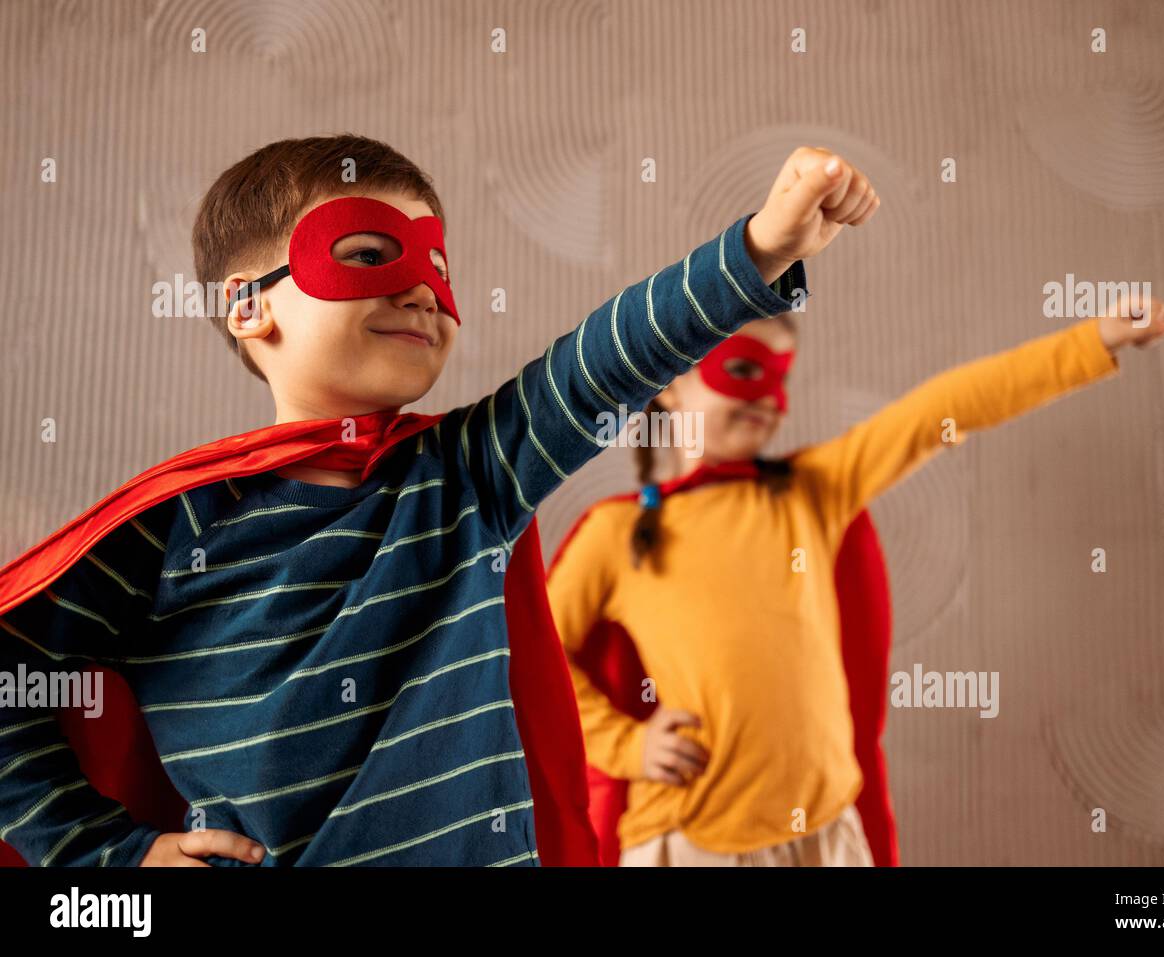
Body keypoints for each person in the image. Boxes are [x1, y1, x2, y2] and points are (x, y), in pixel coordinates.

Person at [0, 136, 873, 866]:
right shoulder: (171, 526)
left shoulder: (467, 474)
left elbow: (602, 361)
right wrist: (105, 859)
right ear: (247, 308)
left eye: (439, 266)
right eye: (370, 254)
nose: (423, 286)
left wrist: (760, 248)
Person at [547, 275, 1164, 866]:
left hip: (827, 834)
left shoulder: (814, 491)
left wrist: (1094, 341)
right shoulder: (616, 533)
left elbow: (937, 413)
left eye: (780, 378)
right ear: (672, 379)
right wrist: (630, 745)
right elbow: (537, 659)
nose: (767, 398)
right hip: (694, 841)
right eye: (743, 369)